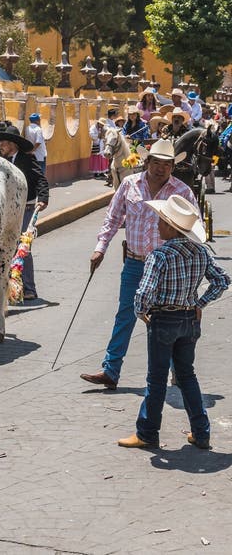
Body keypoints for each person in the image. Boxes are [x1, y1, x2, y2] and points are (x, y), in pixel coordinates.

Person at [80, 138, 198, 389]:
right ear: (147, 162)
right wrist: (100, 248)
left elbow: (191, 230)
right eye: (156, 163)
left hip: (168, 268)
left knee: (166, 320)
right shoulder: (129, 184)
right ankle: (110, 370)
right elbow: (112, 218)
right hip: (134, 262)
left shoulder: (182, 192)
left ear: (172, 167)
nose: (161, 168)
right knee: (126, 314)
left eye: (167, 164)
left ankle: (176, 371)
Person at [117, 195, 229, 449]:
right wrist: (199, 304)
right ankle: (201, 432)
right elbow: (222, 281)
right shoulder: (201, 252)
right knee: (187, 376)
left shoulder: (160, 255)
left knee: (156, 379)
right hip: (189, 319)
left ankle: (147, 433)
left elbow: (144, 293)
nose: (157, 225)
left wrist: (141, 311)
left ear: (170, 226)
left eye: (160, 221)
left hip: (163, 319)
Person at [0, 125, 49, 300]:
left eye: (3, 143)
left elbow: (40, 179)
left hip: (26, 208)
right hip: (6, 210)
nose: (0, 146)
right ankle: (7, 287)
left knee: (23, 247)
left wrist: (43, 198)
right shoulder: (0, 162)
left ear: (12, 144)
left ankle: (29, 288)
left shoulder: (27, 159)